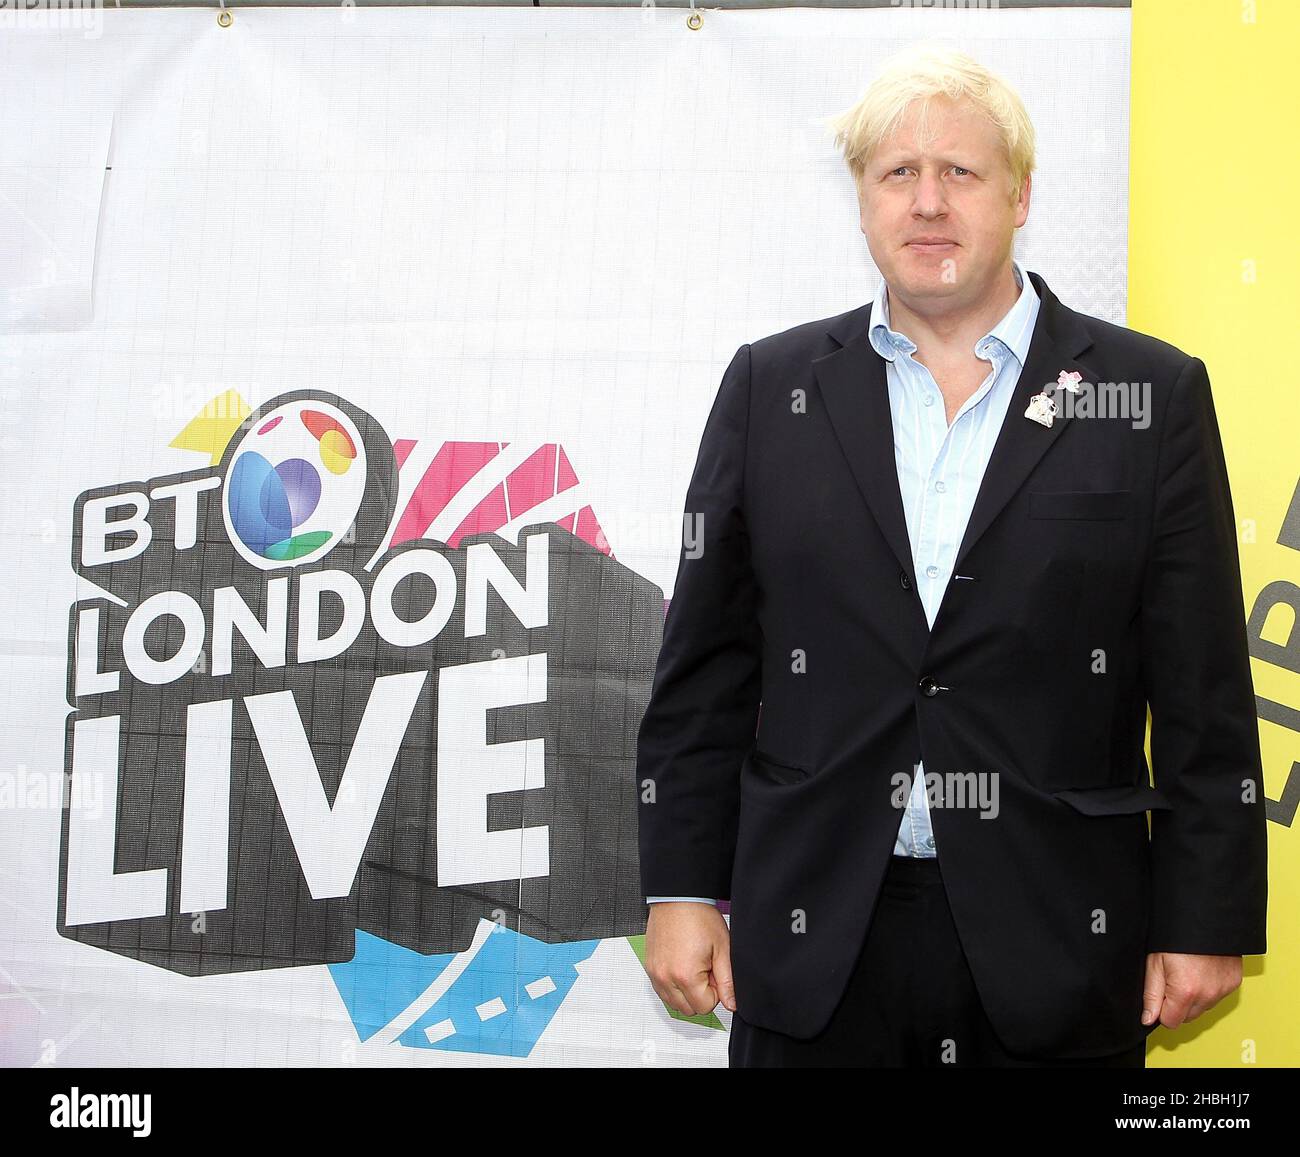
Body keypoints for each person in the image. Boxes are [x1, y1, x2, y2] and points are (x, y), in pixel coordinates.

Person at [634, 44, 1268, 1067]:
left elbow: (1202, 686)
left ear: (1018, 195)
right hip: (810, 935)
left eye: (959, 173)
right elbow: (702, 672)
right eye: (898, 174)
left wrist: (1205, 914)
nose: (928, 202)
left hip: (1058, 936)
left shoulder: (1149, 395)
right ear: (863, 201)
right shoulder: (770, 386)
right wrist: (676, 888)